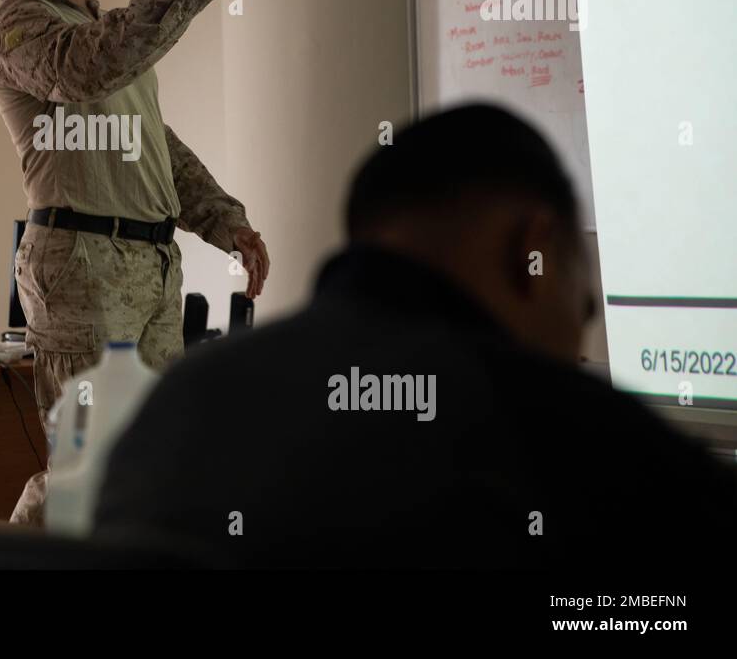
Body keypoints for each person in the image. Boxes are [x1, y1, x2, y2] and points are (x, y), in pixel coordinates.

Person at [93, 104, 737, 566]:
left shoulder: (179, 403)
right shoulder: (580, 441)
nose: (586, 316)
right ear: (532, 249)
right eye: (585, 291)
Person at [0, 0, 274, 523]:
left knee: (153, 459)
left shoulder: (106, 29)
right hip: (80, 264)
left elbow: (154, 146)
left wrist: (225, 222)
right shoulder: (20, 27)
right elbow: (87, 69)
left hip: (151, 265)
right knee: (88, 469)